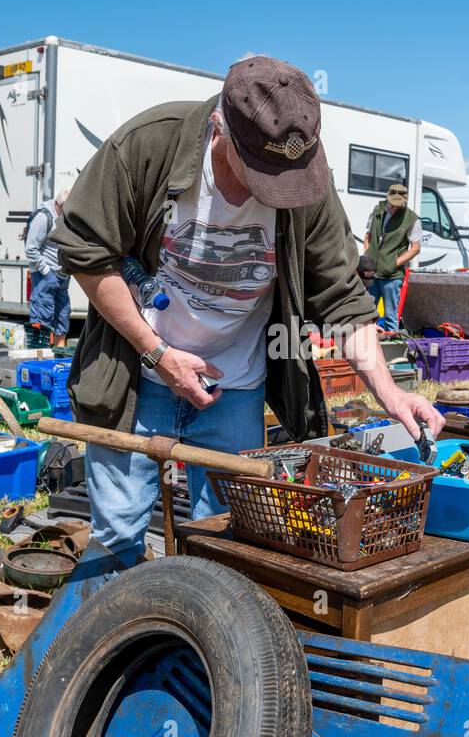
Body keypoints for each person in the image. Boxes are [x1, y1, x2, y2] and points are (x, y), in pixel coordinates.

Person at [53, 55, 444, 569]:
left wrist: (391, 393)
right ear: (220, 127)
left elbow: (343, 298)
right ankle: (109, 638)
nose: (277, 189)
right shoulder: (149, 144)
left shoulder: (306, 177)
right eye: (264, 173)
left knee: (228, 539)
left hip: (235, 386)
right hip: (136, 375)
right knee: (119, 536)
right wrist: (159, 354)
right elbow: (86, 253)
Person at [363, 182, 421, 331]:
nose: (394, 207)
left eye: (398, 204)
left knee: (390, 316)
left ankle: (391, 350)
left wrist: (394, 263)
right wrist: (367, 258)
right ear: (387, 198)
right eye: (392, 203)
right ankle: (367, 347)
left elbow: (415, 249)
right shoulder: (377, 210)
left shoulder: (412, 219)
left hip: (392, 277)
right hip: (372, 272)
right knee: (367, 314)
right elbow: (367, 236)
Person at [23, 189, 71, 347]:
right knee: (42, 316)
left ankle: (59, 359)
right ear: (58, 206)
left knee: (62, 317)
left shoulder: (66, 217)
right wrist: (46, 272)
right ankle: (39, 358)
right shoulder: (44, 217)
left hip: (62, 276)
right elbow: (31, 249)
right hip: (46, 276)